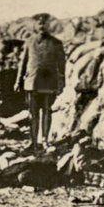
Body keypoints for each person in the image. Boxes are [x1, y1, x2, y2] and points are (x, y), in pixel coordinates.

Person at [14, 13, 66, 151]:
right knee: (33, 113)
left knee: (47, 111)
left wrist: (62, 81)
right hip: (32, 81)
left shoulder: (56, 43)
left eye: (45, 23)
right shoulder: (29, 42)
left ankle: (45, 140)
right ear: (35, 26)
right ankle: (33, 142)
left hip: (49, 81)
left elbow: (62, 64)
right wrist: (18, 80)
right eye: (39, 23)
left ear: (49, 26)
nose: (42, 26)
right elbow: (23, 62)